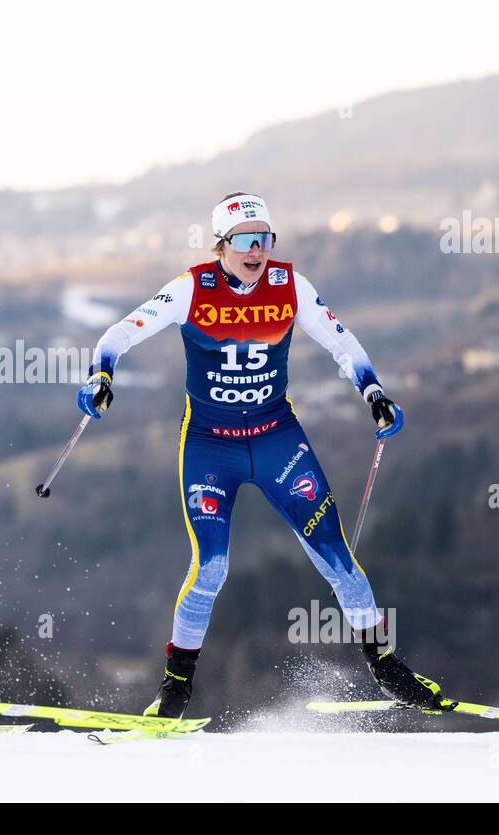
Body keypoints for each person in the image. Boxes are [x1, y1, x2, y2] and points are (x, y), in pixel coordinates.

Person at [76, 192, 451, 718]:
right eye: (246, 240)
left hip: (278, 440)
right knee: (211, 568)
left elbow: (342, 342)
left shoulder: (289, 287)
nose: (258, 251)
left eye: (266, 239)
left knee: (339, 560)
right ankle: (176, 688)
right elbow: (118, 335)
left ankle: (386, 667)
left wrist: (373, 392)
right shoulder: (191, 290)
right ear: (222, 246)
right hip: (210, 448)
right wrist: (102, 375)